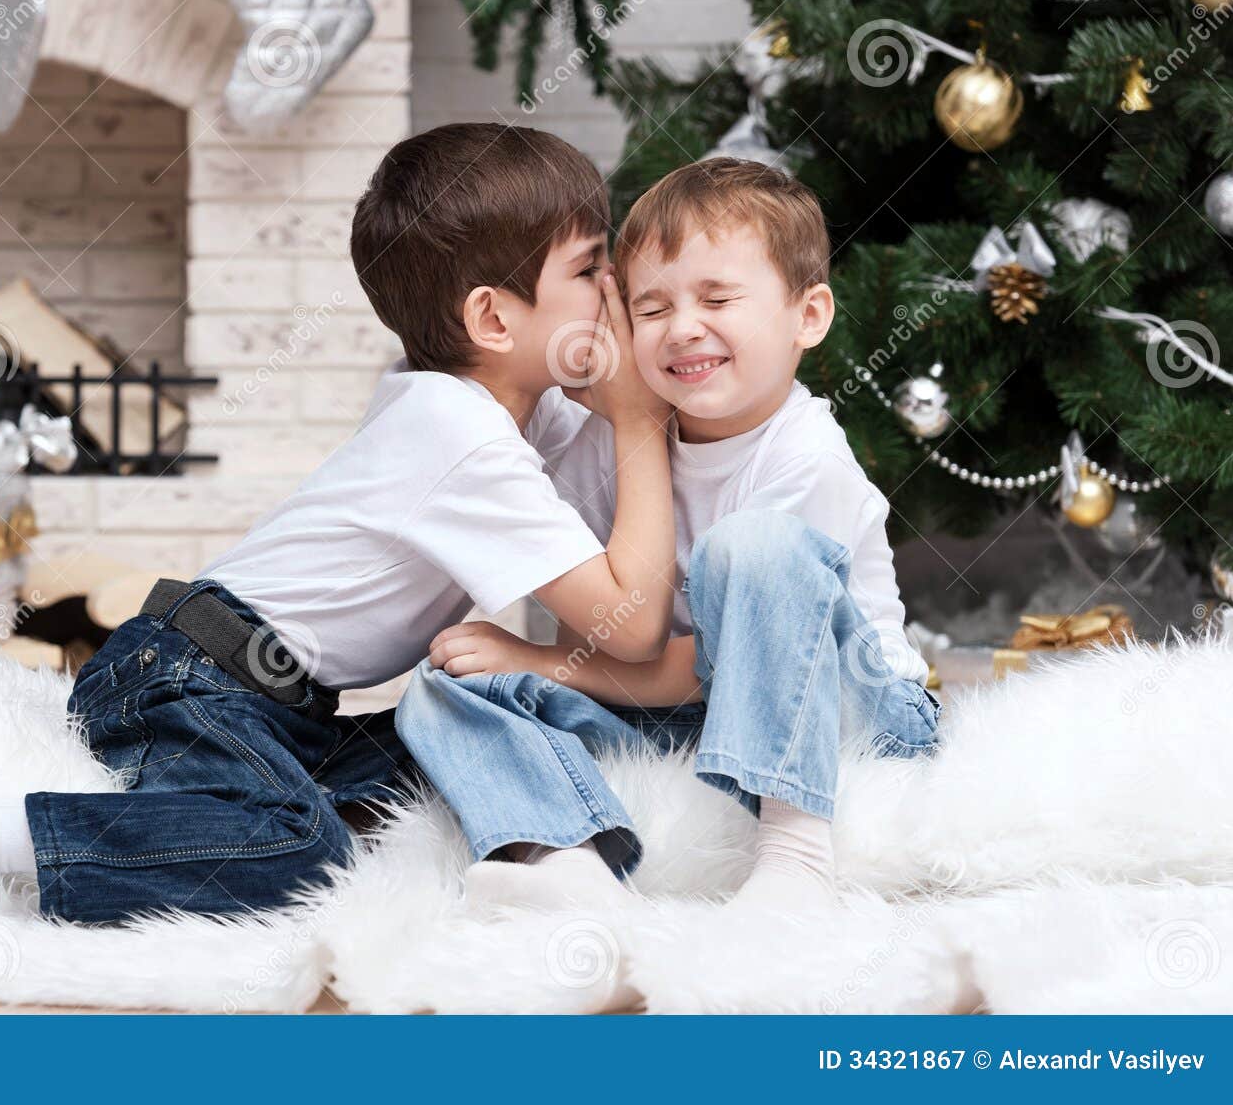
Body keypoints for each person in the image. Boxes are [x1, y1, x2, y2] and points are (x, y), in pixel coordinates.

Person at [0, 123, 676, 924]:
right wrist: (638, 419)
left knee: (462, 749)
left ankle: (535, 857)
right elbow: (627, 620)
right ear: (493, 319)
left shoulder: (505, 410)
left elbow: (630, 527)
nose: (612, 296)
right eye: (590, 271)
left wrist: (657, 395)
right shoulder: (459, 434)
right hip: (184, 676)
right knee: (304, 851)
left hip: (278, 707)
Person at [397, 156, 939, 917]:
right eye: (651, 309)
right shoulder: (615, 438)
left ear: (807, 317)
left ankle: (795, 859)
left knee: (749, 548)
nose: (683, 327)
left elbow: (704, 666)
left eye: (718, 297)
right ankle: (569, 858)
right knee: (450, 684)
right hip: (691, 717)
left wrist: (549, 664)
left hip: (855, 708)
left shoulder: (805, 455)